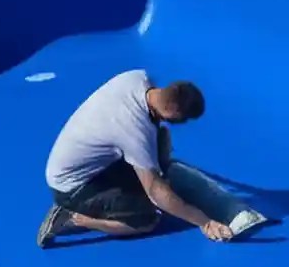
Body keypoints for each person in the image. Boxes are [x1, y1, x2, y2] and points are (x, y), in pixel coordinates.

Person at [36, 69, 233, 248]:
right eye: (185, 118)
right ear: (174, 112)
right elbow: (156, 193)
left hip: (79, 165)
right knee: (148, 218)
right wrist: (204, 221)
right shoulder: (135, 131)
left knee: (161, 138)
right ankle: (73, 217)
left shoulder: (139, 78)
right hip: (71, 188)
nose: (185, 123)